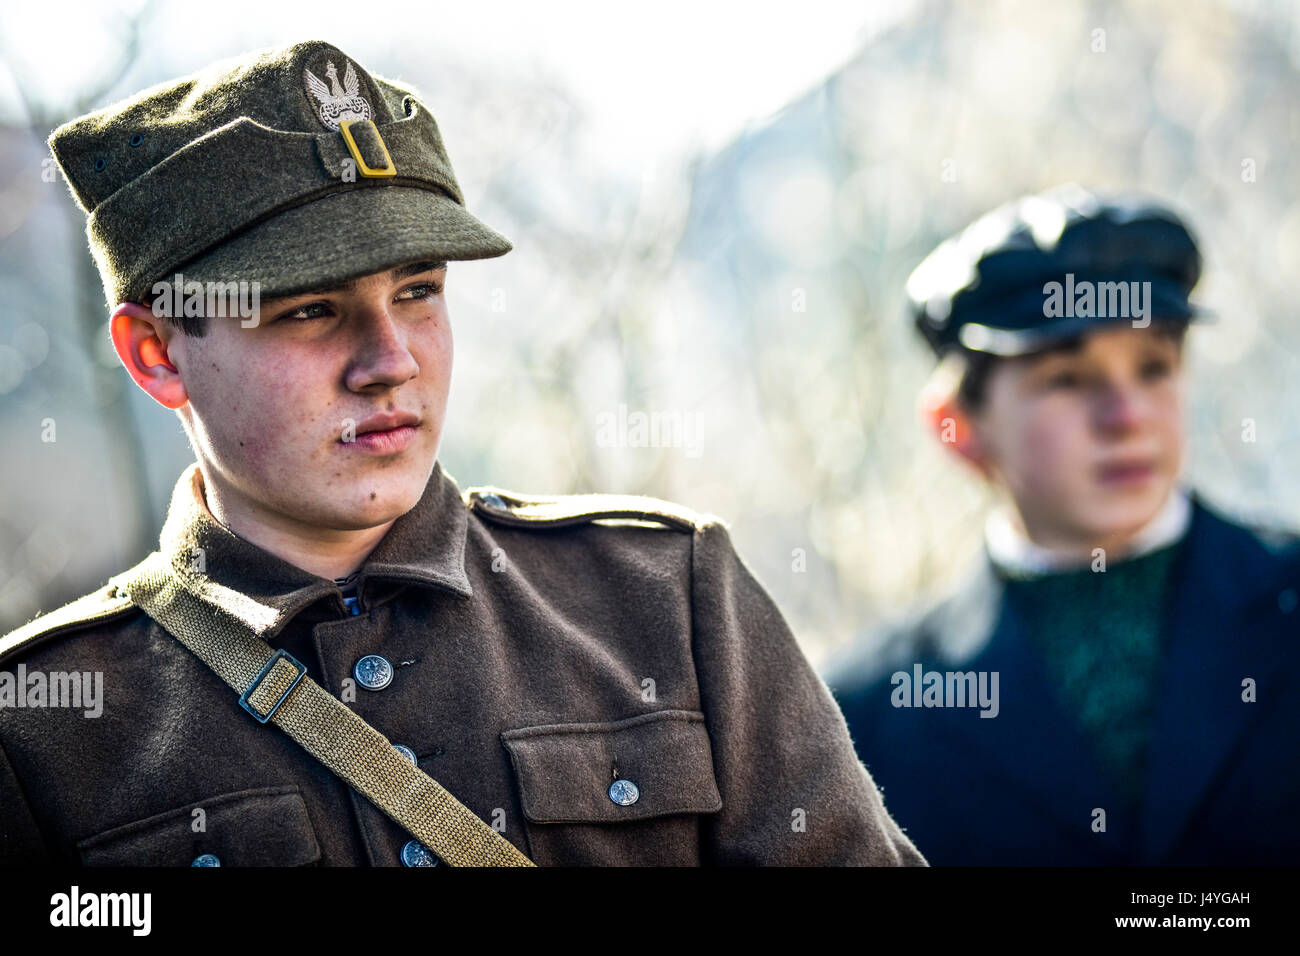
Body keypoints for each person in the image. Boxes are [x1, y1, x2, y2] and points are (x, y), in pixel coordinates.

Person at [0, 40, 924, 867]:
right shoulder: (43, 731)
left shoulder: (665, 597)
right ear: (157, 354)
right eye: (309, 309)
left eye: (418, 291)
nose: (389, 362)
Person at [828, 185, 1300, 865]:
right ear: (957, 429)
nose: (1126, 414)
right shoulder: (862, 718)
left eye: (1154, 367)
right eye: (1069, 378)